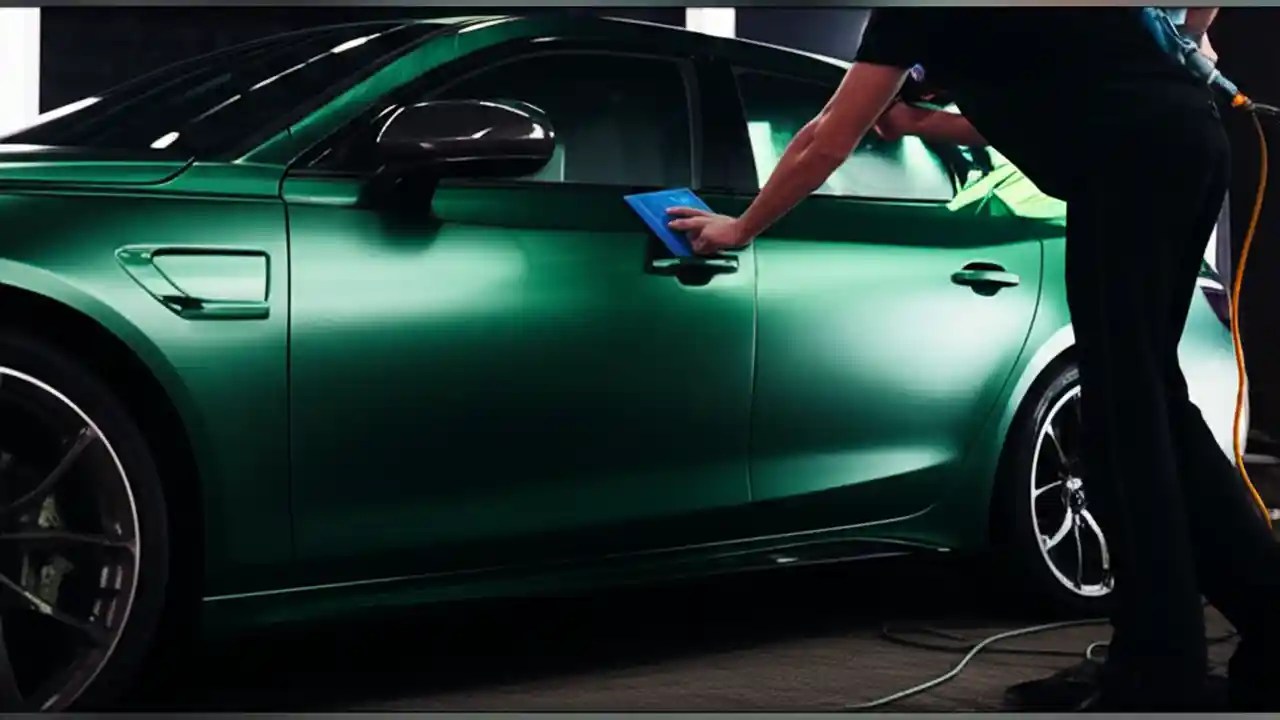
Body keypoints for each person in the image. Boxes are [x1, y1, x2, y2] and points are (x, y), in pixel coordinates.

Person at [668, 7, 1280, 712]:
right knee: (1150, 410)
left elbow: (828, 137)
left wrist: (740, 226)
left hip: (1128, 168)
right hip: (1183, 144)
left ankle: (1157, 668)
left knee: (1126, 425)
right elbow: (1056, 95)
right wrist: (923, 120)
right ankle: (1240, 635)